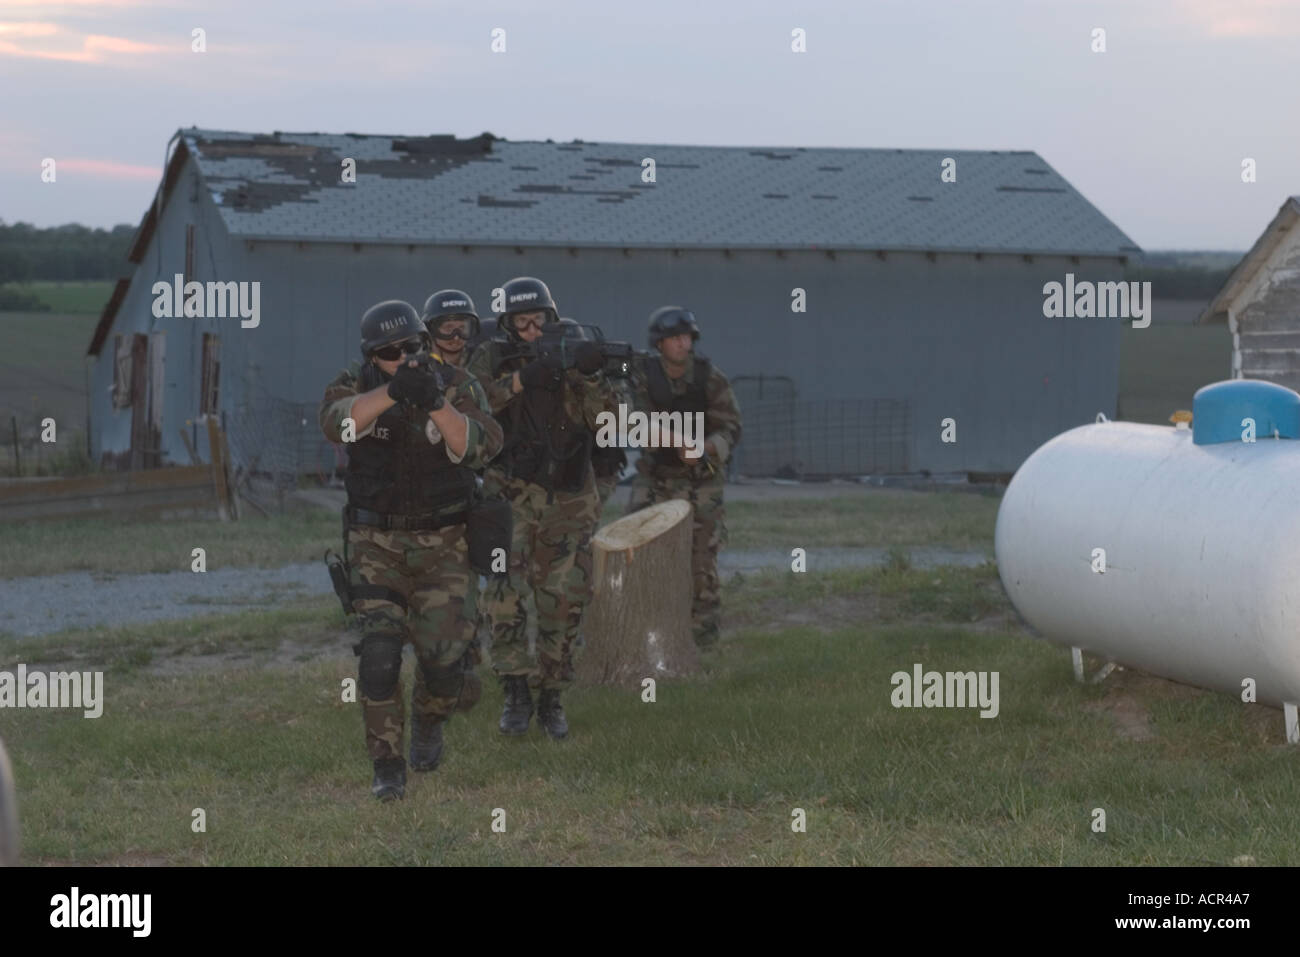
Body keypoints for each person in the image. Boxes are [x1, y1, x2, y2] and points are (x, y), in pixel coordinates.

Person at [319, 299, 503, 800]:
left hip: (446, 544)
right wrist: (392, 392)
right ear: (371, 356)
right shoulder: (355, 383)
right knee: (379, 656)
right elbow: (338, 424)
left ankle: (428, 722)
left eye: (411, 347)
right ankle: (387, 763)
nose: (402, 358)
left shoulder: (458, 384)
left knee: (445, 664)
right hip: (375, 544)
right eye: (389, 352)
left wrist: (436, 402)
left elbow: (481, 447)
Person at [466, 278, 619, 739]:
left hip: (568, 499)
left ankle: (552, 695)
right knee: (503, 595)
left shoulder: (571, 350)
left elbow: (608, 423)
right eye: (523, 323)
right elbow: (471, 404)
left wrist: (589, 374)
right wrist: (520, 379)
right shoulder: (490, 356)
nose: (533, 331)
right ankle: (515, 690)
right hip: (509, 495)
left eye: (539, 322)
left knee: (564, 599)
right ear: (507, 326)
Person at [627, 306, 742, 648]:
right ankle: (646, 633)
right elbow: (633, 422)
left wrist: (706, 448)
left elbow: (731, 428)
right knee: (635, 552)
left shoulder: (709, 377)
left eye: (687, 337)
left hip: (700, 480)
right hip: (656, 477)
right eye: (675, 338)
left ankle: (702, 640)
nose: (683, 344)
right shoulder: (641, 376)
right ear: (659, 343)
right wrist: (673, 441)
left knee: (700, 561)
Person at [421, 289, 480, 368]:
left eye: (462, 328)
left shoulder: (482, 362)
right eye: (448, 329)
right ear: (430, 330)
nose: (456, 337)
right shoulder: (417, 366)